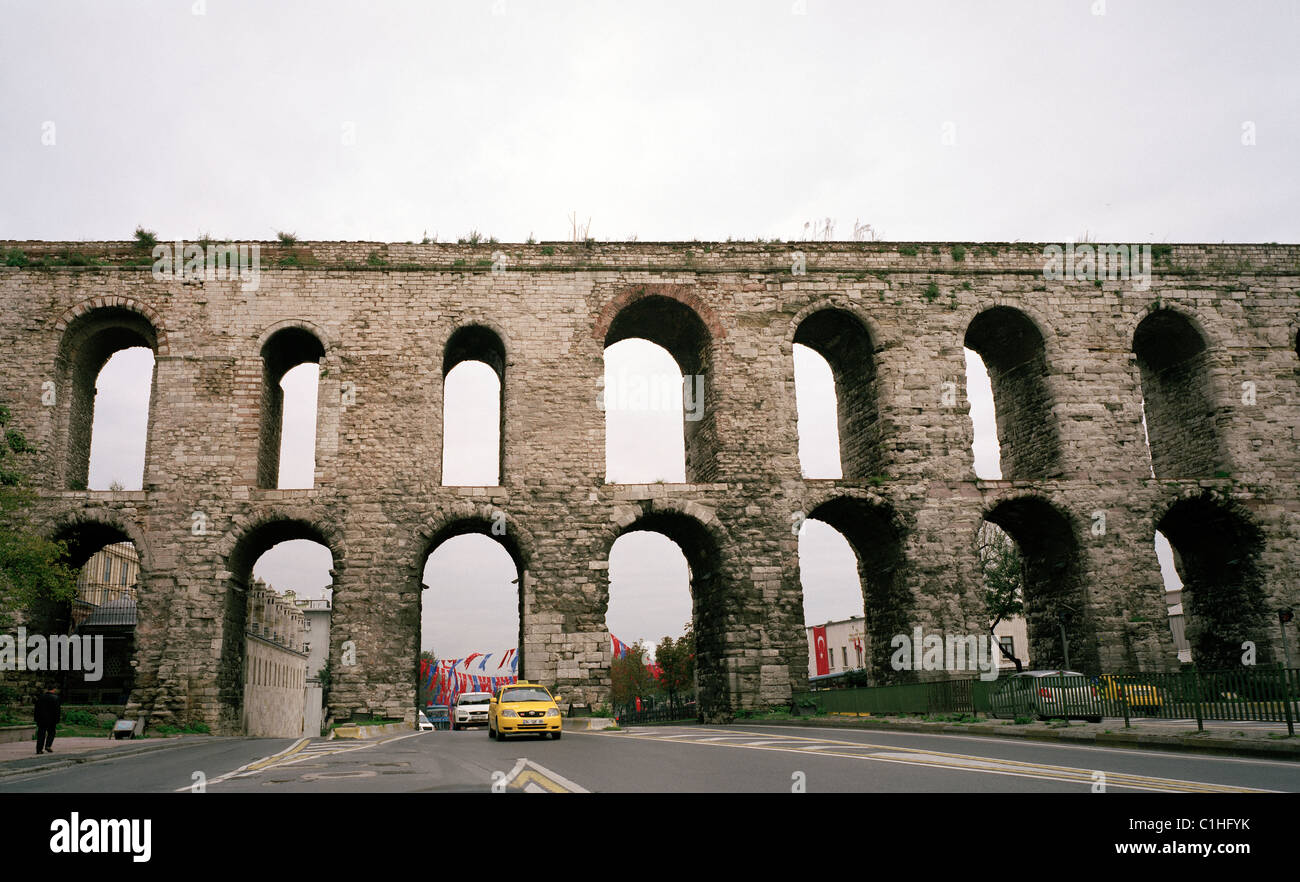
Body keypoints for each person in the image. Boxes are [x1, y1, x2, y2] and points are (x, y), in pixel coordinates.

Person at [34, 683, 61, 755]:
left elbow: (36, 709)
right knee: (51, 732)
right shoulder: (56, 698)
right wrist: (57, 719)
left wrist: (36, 718)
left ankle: (39, 749)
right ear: (54, 689)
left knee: (41, 733)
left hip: (41, 719)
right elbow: (57, 710)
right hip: (51, 719)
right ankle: (48, 745)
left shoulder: (41, 697)